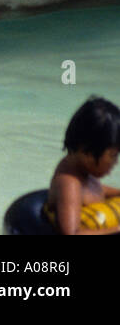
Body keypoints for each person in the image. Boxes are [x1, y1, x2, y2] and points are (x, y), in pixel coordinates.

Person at [44, 96, 120, 235]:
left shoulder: (82, 173)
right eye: (113, 155)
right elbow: (72, 233)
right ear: (87, 150)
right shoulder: (69, 183)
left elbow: (94, 190)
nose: (115, 163)